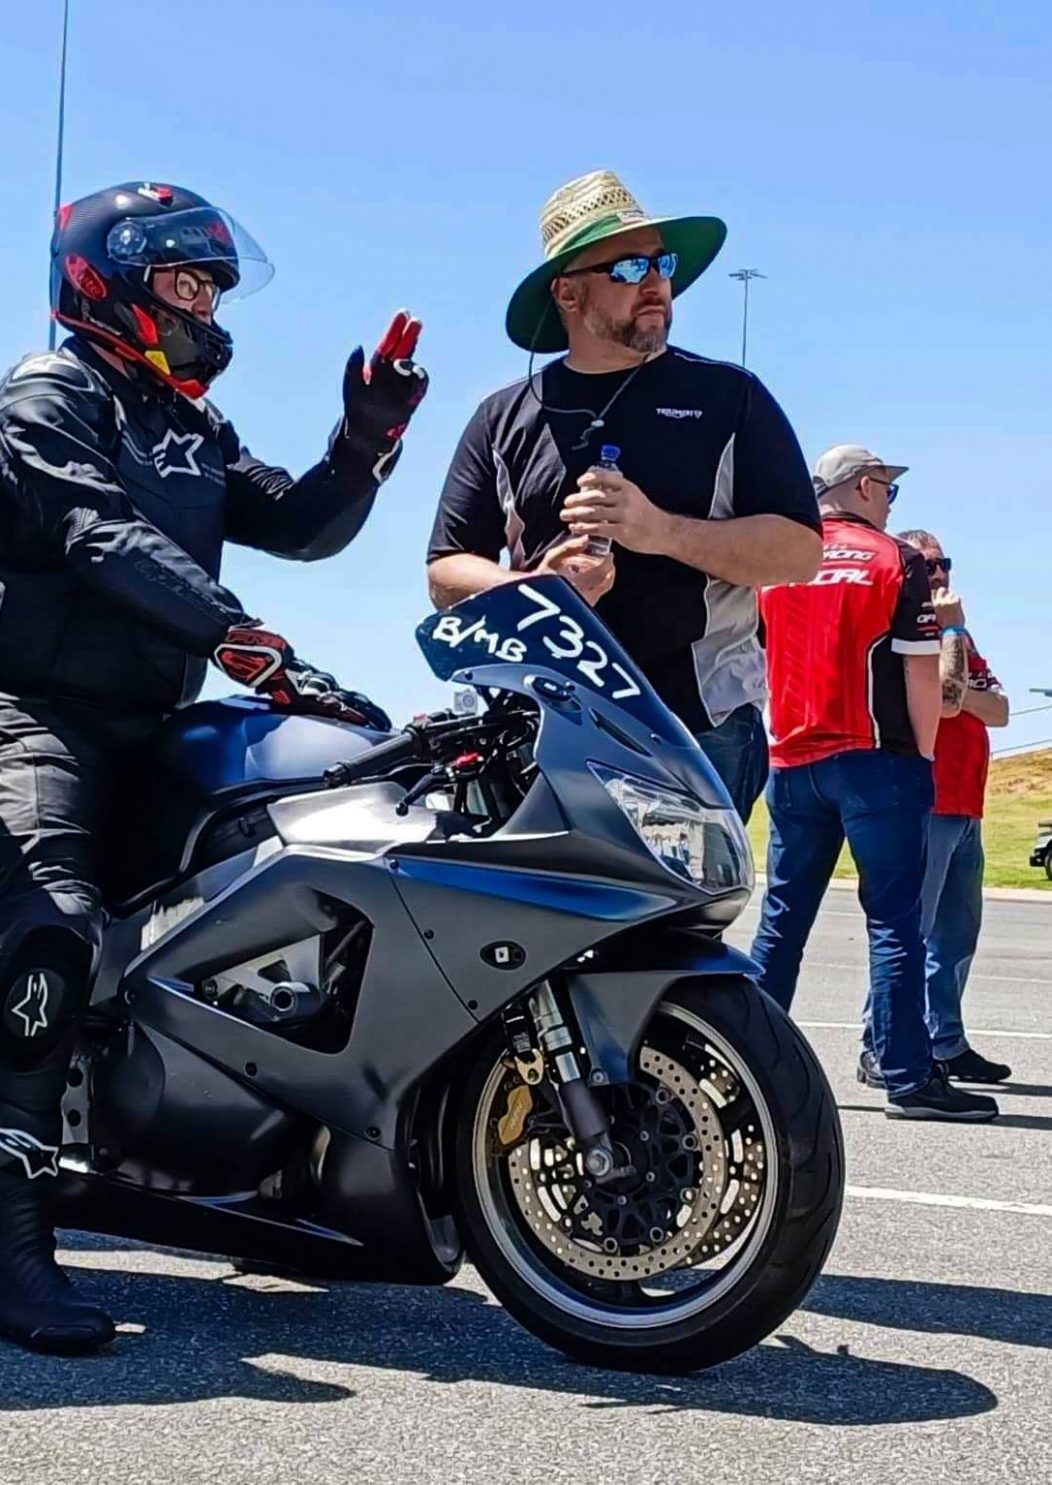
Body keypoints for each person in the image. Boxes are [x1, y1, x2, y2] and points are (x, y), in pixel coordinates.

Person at [0, 181, 427, 1353]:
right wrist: (235, 635)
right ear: (108, 283)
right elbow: (96, 534)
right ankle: (10, 1258)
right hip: (32, 715)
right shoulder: (48, 393)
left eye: (214, 286)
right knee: (54, 930)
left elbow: (301, 524)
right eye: (184, 281)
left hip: (153, 718)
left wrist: (365, 439)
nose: (206, 304)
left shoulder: (190, 426)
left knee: (304, 863)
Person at [426, 169, 821, 817]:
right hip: (543, 722)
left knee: (684, 893)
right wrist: (534, 587)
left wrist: (658, 530)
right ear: (567, 293)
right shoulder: (503, 415)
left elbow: (800, 553)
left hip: (697, 724)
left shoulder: (729, 397)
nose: (656, 282)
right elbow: (445, 570)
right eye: (630, 267)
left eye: (662, 263)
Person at [751, 446, 998, 1122]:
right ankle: (907, 1076)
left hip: (792, 760)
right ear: (864, 485)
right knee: (895, 923)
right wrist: (922, 756)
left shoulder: (780, 558)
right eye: (887, 488)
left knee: (782, 921)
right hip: (876, 759)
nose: (890, 500)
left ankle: (747, 1064)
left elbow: (758, 653)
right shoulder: (896, 558)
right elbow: (922, 671)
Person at [859, 528, 1011, 1088]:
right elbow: (947, 702)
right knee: (908, 934)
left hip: (966, 805)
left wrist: (958, 644)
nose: (939, 574)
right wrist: (950, 630)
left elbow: (999, 709)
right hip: (925, 803)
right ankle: (879, 1045)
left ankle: (944, 1041)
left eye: (943, 562)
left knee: (955, 936)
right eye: (926, 566)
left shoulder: (959, 638)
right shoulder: (917, 632)